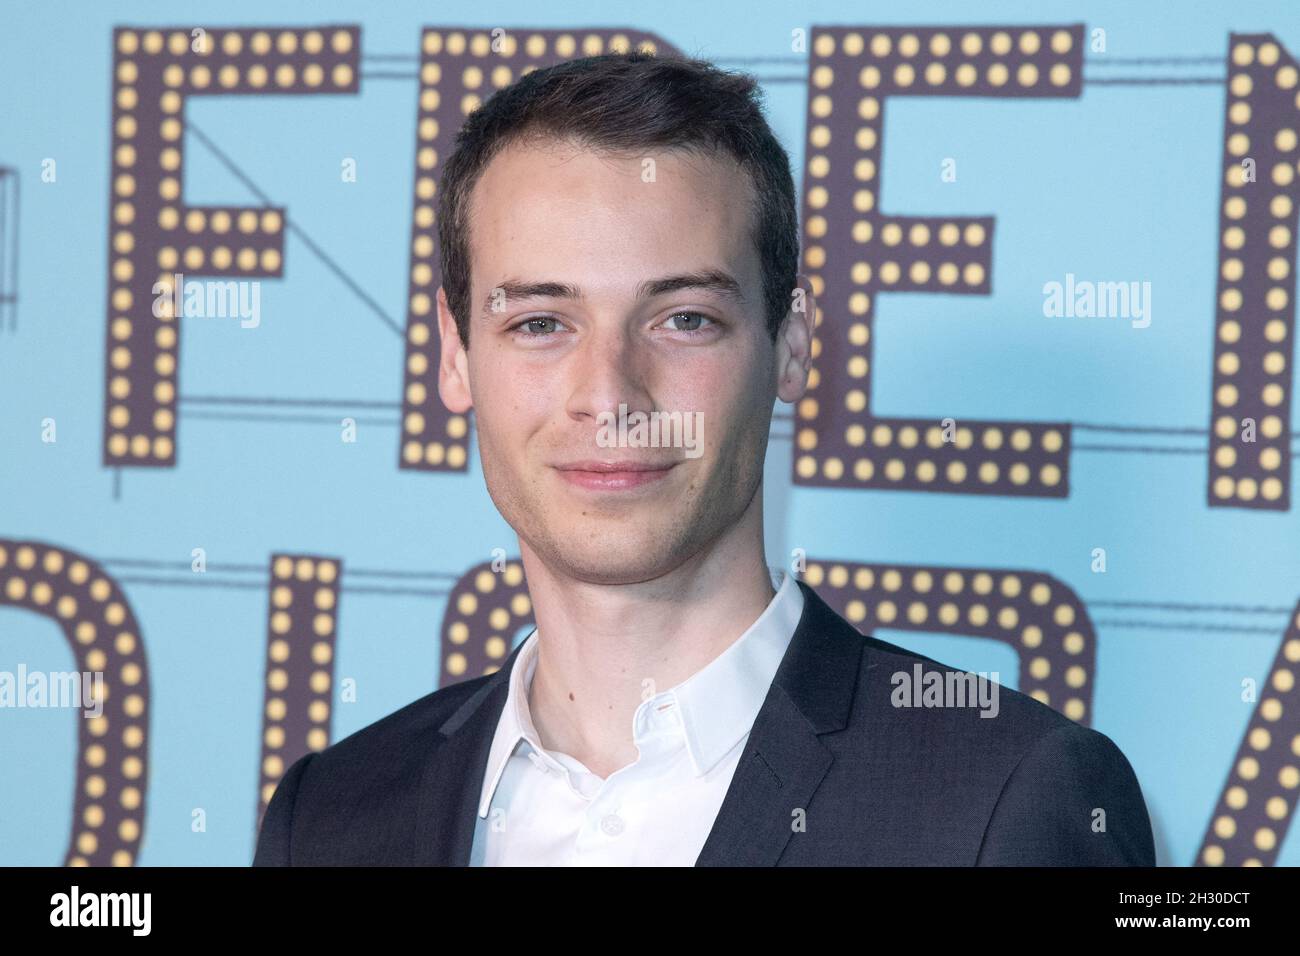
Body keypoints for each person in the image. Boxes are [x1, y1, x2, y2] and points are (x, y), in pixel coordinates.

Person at [253, 52, 1155, 866]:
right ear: (455, 356)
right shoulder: (331, 816)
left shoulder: (1009, 800)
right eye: (539, 323)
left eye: (683, 318)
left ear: (792, 345)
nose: (609, 396)